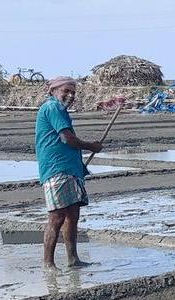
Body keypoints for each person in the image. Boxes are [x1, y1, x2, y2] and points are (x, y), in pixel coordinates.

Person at [36, 76, 103, 270]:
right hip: (57, 169)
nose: (70, 95)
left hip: (70, 169)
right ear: (53, 91)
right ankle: (48, 263)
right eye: (66, 90)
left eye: (73, 92)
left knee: (73, 215)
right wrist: (91, 146)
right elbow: (67, 139)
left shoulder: (61, 110)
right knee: (56, 217)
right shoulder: (52, 107)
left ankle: (73, 259)